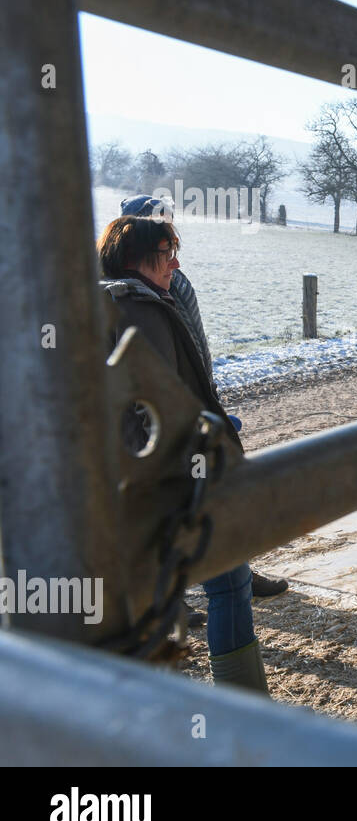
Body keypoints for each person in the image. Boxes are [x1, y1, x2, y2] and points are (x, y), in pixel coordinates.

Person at [98, 213, 268, 692]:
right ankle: (243, 696)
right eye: (166, 252)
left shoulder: (100, 300)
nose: (175, 262)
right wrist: (207, 447)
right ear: (135, 257)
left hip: (125, 475)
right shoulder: (142, 308)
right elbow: (161, 403)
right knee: (229, 581)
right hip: (174, 472)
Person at [118, 195, 289, 600]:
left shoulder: (172, 279)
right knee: (189, 497)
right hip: (161, 418)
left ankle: (227, 574)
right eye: (161, 226)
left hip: (190, 396)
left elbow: (194, 340)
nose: (171, 238)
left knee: (202, 494)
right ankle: (195, 589)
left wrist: (208, 397)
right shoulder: (136, 292)